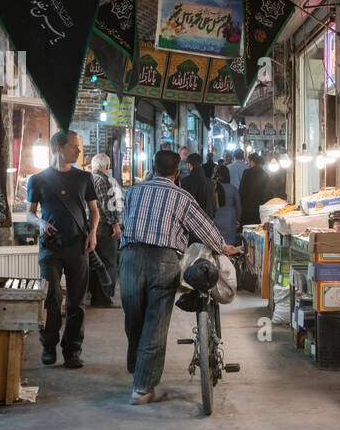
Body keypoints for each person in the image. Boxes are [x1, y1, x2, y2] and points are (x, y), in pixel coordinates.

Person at [118, 149, 242, 405]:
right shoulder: (181, 197)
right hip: (163, 261)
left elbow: (125, 221)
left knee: (134, 317)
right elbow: (205, 229)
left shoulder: (133, 191)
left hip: (130, 258)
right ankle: (141, 388)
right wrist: (222, 246)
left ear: (152, 167)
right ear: (177, 173)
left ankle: (136, 368)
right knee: (155, 323)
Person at [27, 131, 99, 369]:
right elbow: (30, 212)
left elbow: (94, 211)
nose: (79, 151)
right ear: (59, 148)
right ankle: (48, 345)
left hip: (78, 245)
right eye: (74, 146)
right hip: (51, 247)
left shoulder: (84, 178)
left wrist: (92, 233)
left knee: (77, 301)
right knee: (52, 297)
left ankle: (72, 350)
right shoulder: (38, 180)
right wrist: (40, 223)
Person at [88, 153, 124, 307]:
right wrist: (116, 225)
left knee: (96, 263)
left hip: (93, 227)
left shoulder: (90, 178)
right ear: (107, 167)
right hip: (104, 228)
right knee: (108, 263)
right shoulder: (103, 180)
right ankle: (103, 299)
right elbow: (107, 206)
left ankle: (96, 296)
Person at [237, 152, 274, 226]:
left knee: (246, 230)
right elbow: (268, 193)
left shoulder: (247, 172)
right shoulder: (265, 174)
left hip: (247, 208)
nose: (248, 164)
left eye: (249, 162)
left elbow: (242, 191)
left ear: (251, 161)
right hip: (259, 209)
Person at [180, 152, 217, 220]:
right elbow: (214, 205)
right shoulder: (209, 182)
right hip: (207, 221)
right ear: (200, 164)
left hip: (190, 221)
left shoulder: (185, 181)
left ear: (189, 165)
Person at [212, 164, 242, 246]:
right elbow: (238, 206)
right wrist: (238, 219)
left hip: (217, 217)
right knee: (230, 245)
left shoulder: (213, 188)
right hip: (230, 218)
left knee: (218, 244)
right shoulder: (233, 188)